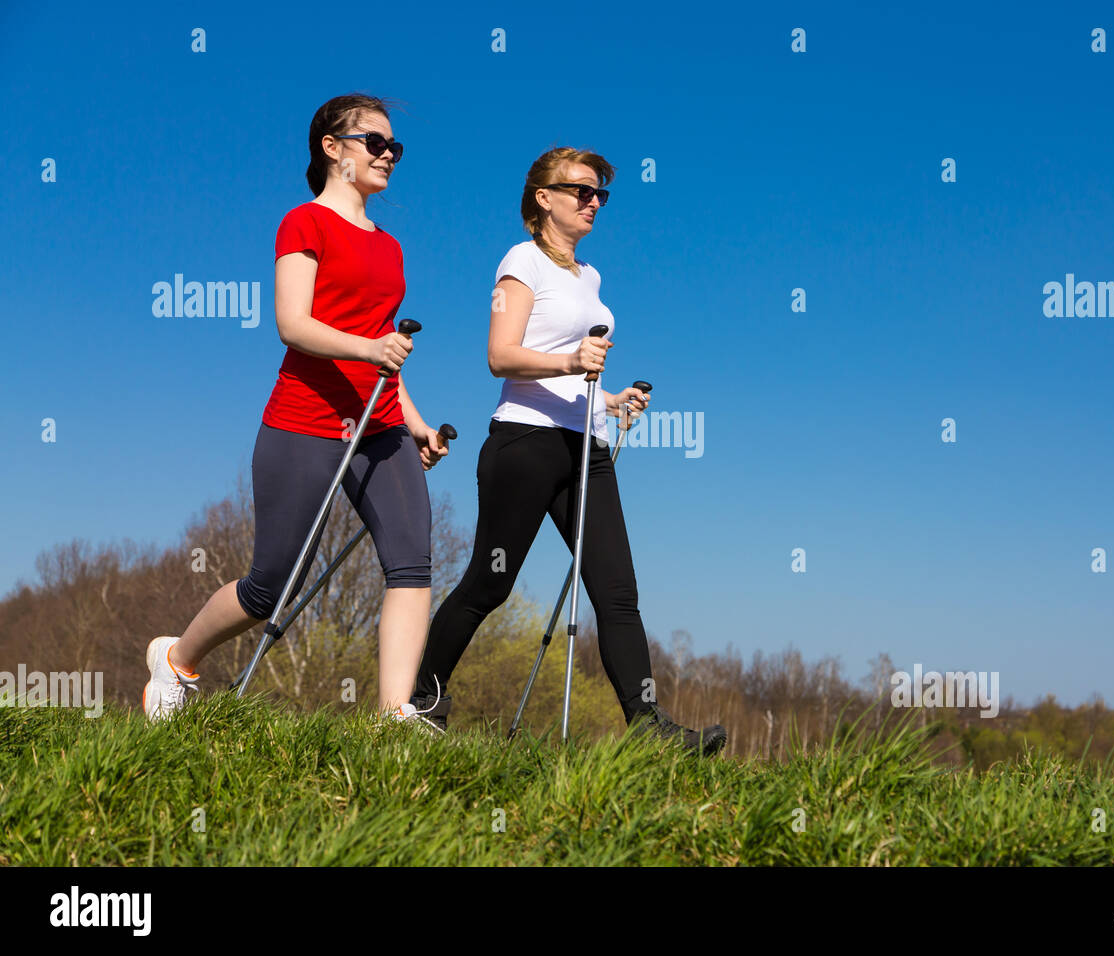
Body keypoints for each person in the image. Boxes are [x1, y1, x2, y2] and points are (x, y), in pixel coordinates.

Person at [143, 93, 449, 724]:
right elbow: (293, 322)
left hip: (379, 427)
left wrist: (413, 417)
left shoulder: (390, 248)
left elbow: (384, 346)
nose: (389, 155)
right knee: (271, 585)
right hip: (304, 421)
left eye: (396, 147)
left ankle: (396, 715)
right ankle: (175, 660)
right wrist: (370, 347)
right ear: (332, 148)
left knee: (413, 560)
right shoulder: (303, 223)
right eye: (375, 142)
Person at [409, 146, 726, 754]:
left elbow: (571, 373)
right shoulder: (520, 262)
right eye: (580, 189)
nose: (592, 201)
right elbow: (500, 356)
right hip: (525, 443)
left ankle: (649, 730)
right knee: (490, 583)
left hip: (586, 448)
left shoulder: (592, 277)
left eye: (600, 193)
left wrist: (609, 399)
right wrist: (571, 361)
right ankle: (422, 695)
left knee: (616, 591)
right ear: (542, 198)